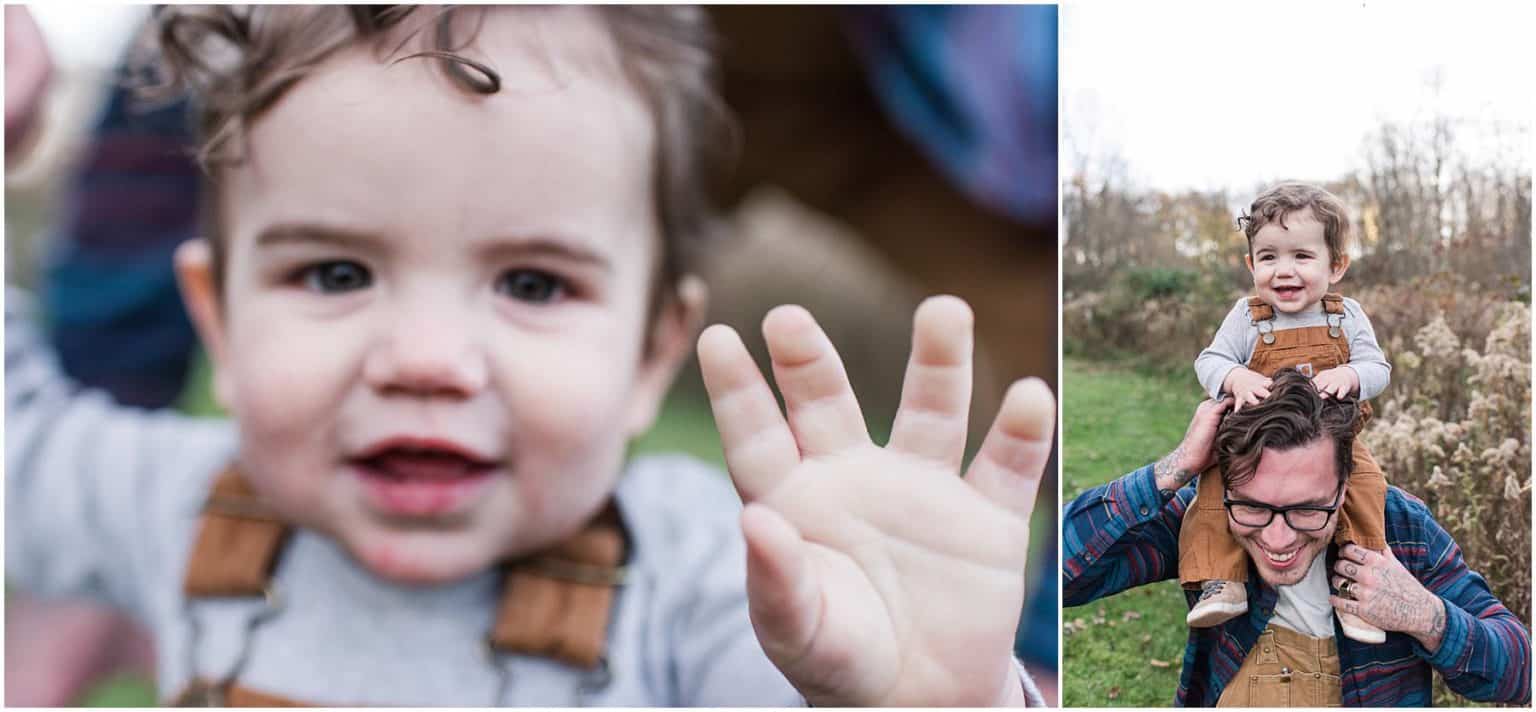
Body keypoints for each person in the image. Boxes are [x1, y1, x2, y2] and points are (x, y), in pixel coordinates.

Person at [5, 6, 1055, 706]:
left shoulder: (715, 580)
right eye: (332, 273)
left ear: (651, 351)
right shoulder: (171, 503)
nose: (426, 360)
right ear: (220, 323)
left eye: (533, 284)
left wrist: (933, 694)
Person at [1062, 369, 1530, 706]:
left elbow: (1520, 673)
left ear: (1345, 485)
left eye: (1307, 509)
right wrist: (1176, 468)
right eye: (1254, 507)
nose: (1279, 537)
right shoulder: (1206, 520)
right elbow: (1058, 575)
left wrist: (1426, 616)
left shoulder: (1402, 530)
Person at [1182, 183, 1391, 643]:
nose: (1284, 271)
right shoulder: (1248, 317)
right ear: (1251, 264)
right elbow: (1209, 361)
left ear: (1336, 266)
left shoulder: (1346, 316)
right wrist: (1235, 379)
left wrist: (1352, 377)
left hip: (1334, 444)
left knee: (1368, 488)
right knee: (1216, 489)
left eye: (1301, 256)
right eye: (1269, 257)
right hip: (1252, 444)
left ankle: (1360, 585)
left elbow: (1379, 368)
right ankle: (1222, 580)